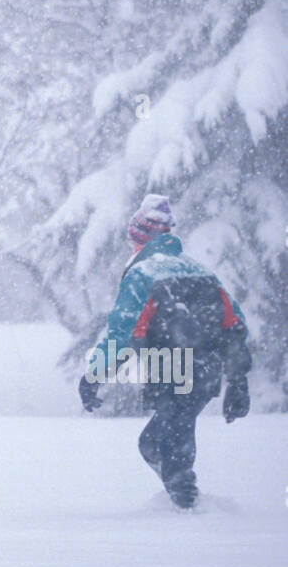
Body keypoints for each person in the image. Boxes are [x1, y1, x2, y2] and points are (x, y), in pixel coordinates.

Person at [79, 194, 252, 509]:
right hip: (204, 372)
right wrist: (238, 381)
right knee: (153, 444)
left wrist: (94, 376)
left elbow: (122, 333)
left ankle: (190, 518)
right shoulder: (201, 271)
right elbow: (234, 326)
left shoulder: (142, 274)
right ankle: (187, 506)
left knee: (169, 451)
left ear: (137, 239)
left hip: (172, 369)